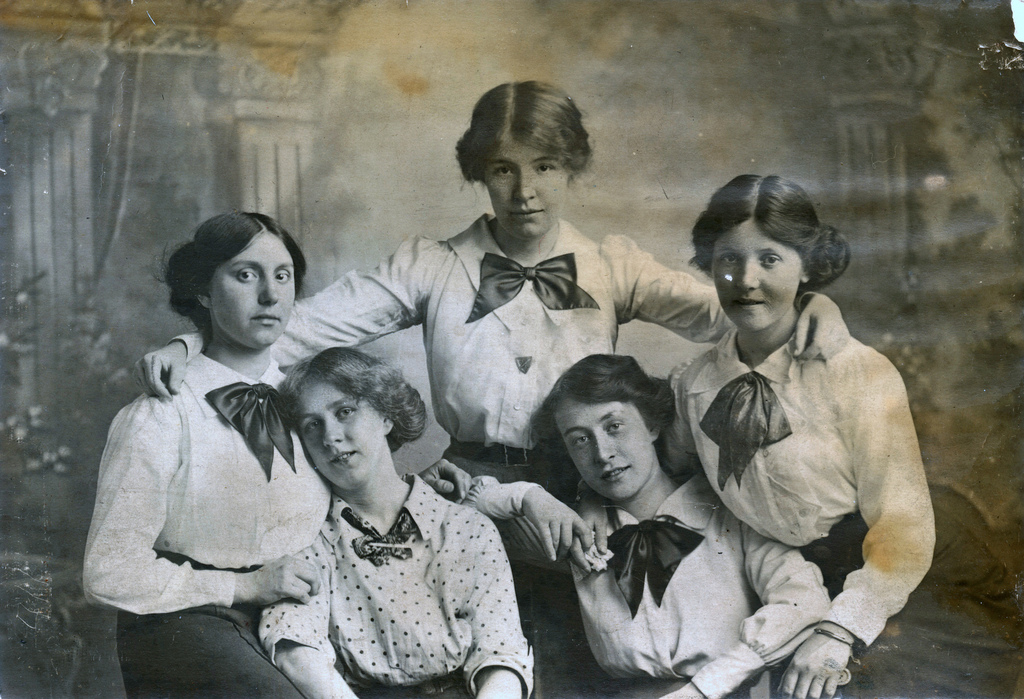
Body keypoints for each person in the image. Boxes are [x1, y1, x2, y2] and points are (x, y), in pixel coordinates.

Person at [663, 175, 935, 699]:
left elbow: (903, 526)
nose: (745, 279)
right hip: (780, 586)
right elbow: (673, 475)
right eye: (727, 259)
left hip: (883, 582)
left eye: (770, 259)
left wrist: (840, 628)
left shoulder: (856, 372)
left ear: (807, 265)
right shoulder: (695, 385)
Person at [82, 212, 332, 697]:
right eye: (245, 275)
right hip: (184, 623)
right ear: (201, 291)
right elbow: (107, 571)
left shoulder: (307, 402)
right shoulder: (160, 415)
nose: (270, 295)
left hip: (295, 618)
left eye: (282, 276)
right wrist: (243, 588)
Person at [507, 353, 829, 699]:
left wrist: (706, 687)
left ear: (651, 425)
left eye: (614, 427)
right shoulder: (577, 531)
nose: (602, 453)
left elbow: (804, 601)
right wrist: (529, 497)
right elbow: (461, 507)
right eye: (580, 440)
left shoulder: (731, 509)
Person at [262, 347, 532, 699]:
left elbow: (502, 655)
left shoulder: (467, 528)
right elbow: (295, 647)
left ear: (386, 416)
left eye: (344, 412)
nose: (330, 436)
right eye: (312, 425)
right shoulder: (306, 537)